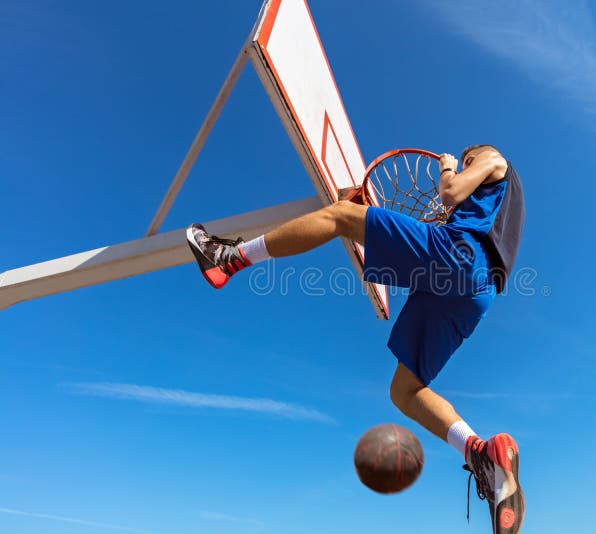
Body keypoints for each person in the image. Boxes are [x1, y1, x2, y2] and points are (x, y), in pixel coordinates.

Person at [186, 145, 526, 533]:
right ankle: (481, 454)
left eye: (470, 159)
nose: (467, 164)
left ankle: (230, 258)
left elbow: (450, 194)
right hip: (478, 291)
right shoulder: (504, 210)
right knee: (405, 391)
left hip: (462, 256)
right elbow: (452, 222)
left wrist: (451, 169)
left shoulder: (494, 159)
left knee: (342, 216)